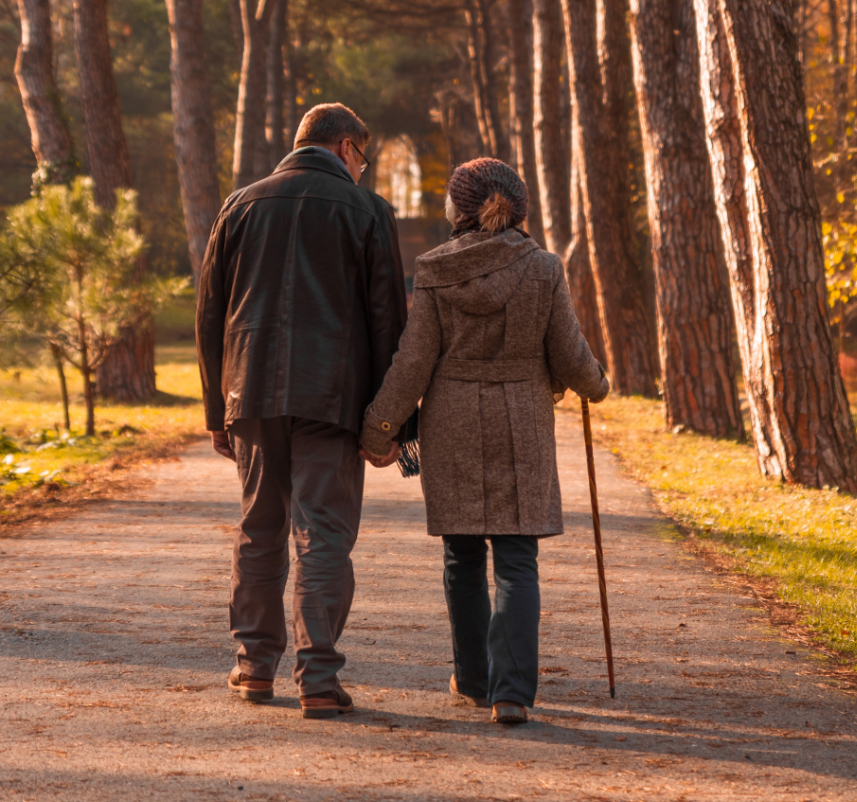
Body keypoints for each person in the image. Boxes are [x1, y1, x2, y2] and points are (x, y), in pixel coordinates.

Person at [356, 158, 609, 726]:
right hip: (522, 418)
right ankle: (512, 693)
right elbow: (570, 353)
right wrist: (597, 383)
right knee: (518, 560)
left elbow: (413, 360)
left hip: (453, 425)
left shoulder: (434, 270)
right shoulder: (543, 268)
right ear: (517, 206)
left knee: (463, 556)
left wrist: (379, 427)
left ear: (457, 210)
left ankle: (472, 680)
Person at [195, 103, 408, 720]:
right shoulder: (368, 213)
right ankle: (318, 678)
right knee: (324, 536)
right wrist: (390, 425)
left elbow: (211, 314)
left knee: (259, 529)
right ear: (345, 147)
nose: (362, 171)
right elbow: (388, 323)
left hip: (253, 396)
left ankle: (252, 668)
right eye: (362, 159)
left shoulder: (240, 205)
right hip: (333, 400)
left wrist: (218, 410)